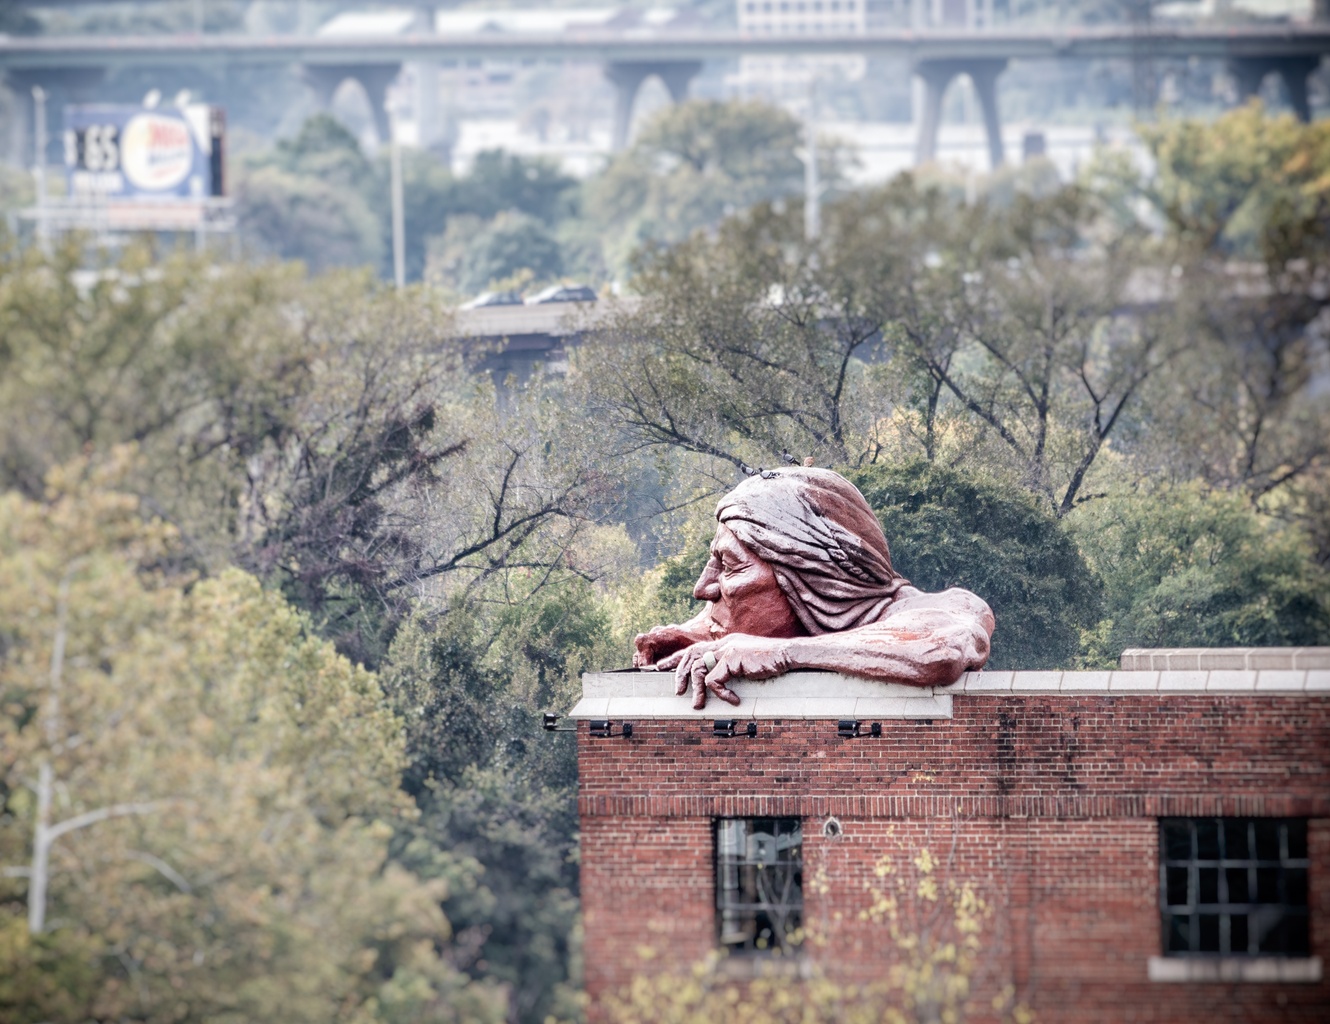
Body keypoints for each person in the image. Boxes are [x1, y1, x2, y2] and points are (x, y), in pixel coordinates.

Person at [633, 467, 994, 709]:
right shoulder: (798, 612)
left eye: (727, 565)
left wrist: (785, 652)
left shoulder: (947, 607)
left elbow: (939, 650)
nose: (703, 588)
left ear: (807, 575)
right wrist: (689, 636)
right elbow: (742, 625)